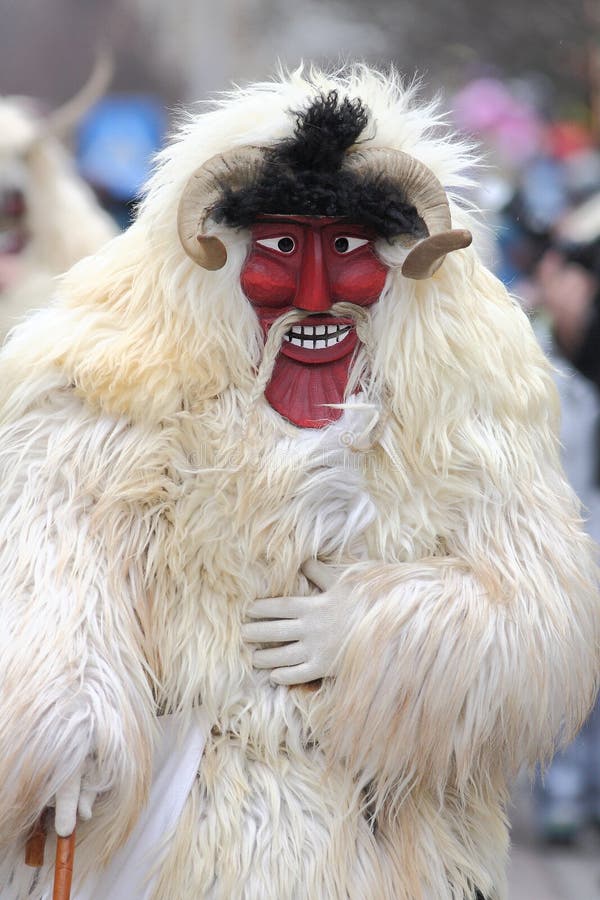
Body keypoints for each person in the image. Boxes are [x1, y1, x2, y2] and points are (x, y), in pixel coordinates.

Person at [0, 66, 597, 900]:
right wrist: (65, 721)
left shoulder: (472, 397)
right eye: (281, 247)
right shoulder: (104, 383)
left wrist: (385, 634)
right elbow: (56, 578)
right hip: (175, 830)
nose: (315, 295)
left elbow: (543, 614)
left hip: (387, 839)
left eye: (347, 249)